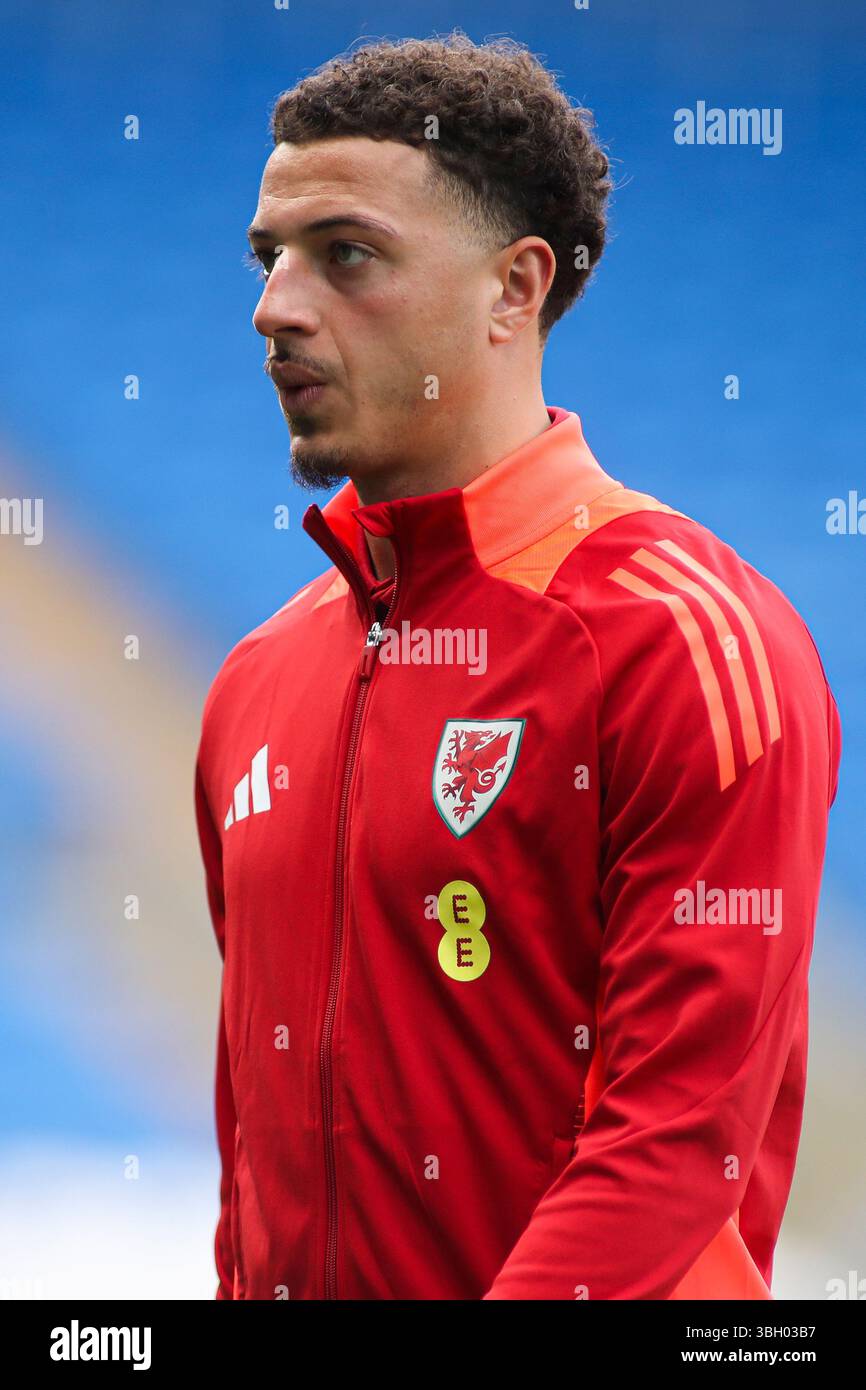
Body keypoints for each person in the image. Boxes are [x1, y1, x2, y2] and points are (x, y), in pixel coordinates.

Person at [194, 32, 841, 1300]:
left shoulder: (681, 637)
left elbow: (669, 1149)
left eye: (345, 254)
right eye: (268, 257)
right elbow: (252, 1168)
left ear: (513, 289)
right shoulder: (253, 684)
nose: (275, 303)